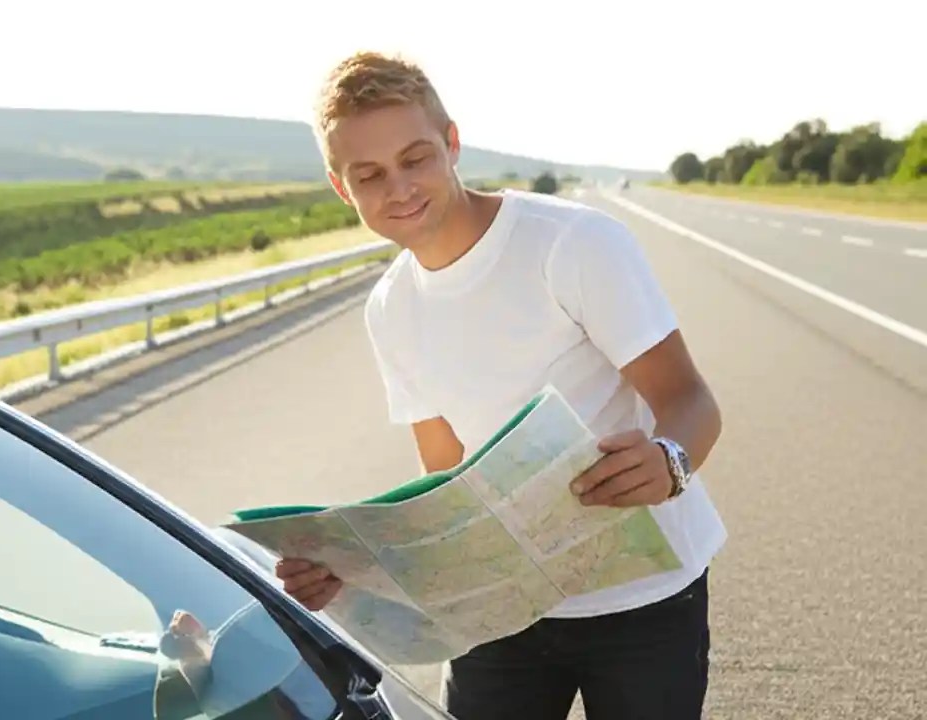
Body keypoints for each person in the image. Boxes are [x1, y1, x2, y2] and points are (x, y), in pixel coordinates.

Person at [274, 51, 727, 720]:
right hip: (499, 611)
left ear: (452, 143)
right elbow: (444, 478)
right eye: (369, 175)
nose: (399, 188)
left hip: (644, 600)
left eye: (416, 158)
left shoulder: (573, 243)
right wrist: (353, 572)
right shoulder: (390, 307)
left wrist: (671, 461)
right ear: (343, 188)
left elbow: (691, 401)